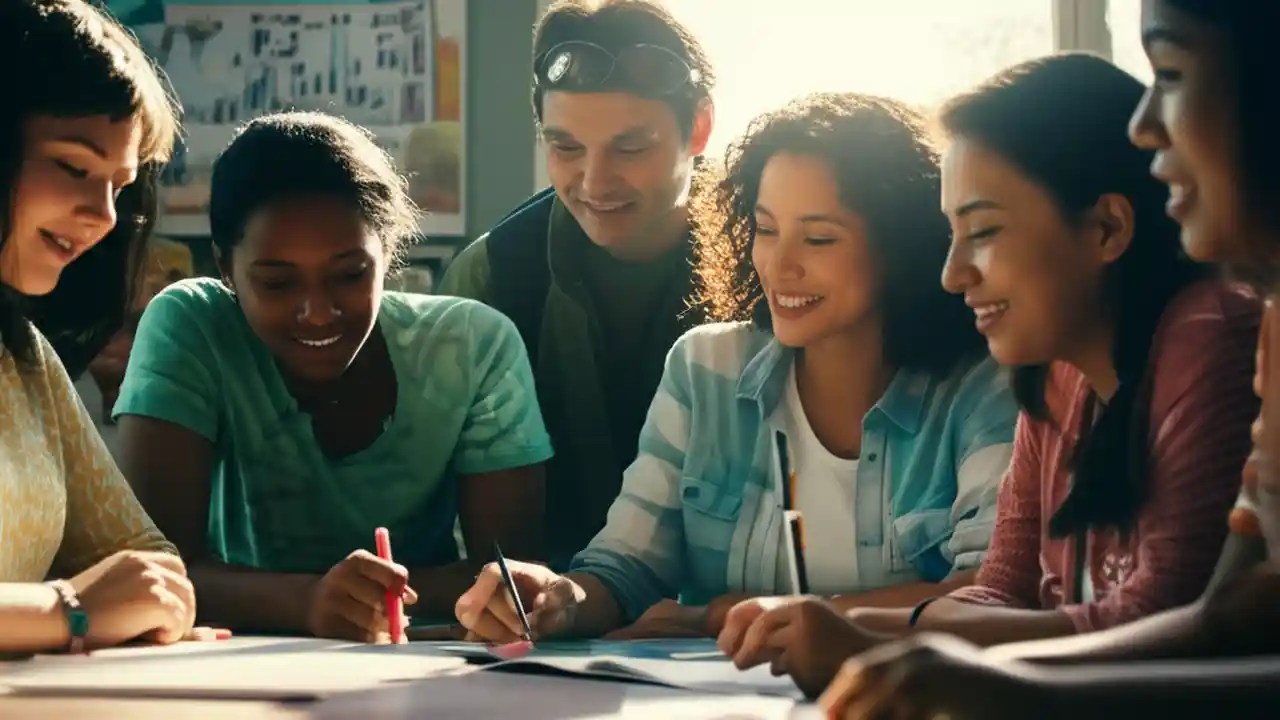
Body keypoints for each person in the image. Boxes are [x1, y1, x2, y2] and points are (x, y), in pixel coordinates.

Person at [721, 52, 1260, 699]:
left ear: (1108, 228)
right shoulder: (1058, 373)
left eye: (982, 231)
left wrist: (877, 640)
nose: (953, 275)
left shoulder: (1209, 336)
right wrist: (837, 623)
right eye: (950, 236)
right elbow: (1003, 590)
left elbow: (1155, 625)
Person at [451, 92, 1018, 643]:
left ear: (904, 248)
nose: (780, 264)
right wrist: (554, 598)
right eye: (766, 229)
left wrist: (738, 615)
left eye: (818, 238)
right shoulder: (705, 367)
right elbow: (623, 568)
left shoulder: (980, 386)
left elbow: (987, 592)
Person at [113, 112, 552, 643]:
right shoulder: (193, 326)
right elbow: (149, 573)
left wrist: (353, 602)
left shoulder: (474, 347)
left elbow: (508, 581)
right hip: (238, 665)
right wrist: (306, 602)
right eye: (277, 283)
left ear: (387, 255)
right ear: (226, 269)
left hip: (422, 665)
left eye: (350, 275)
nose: (317, 313)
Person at [437, 0, 716, 567]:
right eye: (565, 148)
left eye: (631, 148)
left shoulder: (770, 253)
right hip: (549, 612)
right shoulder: (495, 275)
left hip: (734, 614)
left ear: (700, 129)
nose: (595, 181)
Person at [0, 0, 201, 654]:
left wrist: (144, 599)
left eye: (120, 184)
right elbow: (101, 595)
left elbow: (145, 564)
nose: (104, 215)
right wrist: (70, 611)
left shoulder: (22, 357)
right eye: (74, 167)